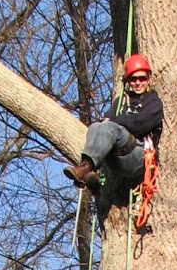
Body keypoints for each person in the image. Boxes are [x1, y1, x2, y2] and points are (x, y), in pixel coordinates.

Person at [63, 55, 163, 196]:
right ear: (128, 81)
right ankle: (88, 171)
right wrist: (113, 123)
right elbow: (105, 122)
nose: (138, 83)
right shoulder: (121, 102)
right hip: (118, 157)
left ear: (148, 78)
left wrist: (117, 122)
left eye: (142, 78)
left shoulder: (154, 103)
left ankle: (87, 169)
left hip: (139, 155)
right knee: (95, 127)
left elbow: (139, 123)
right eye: (133, 79)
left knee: (109, 127)